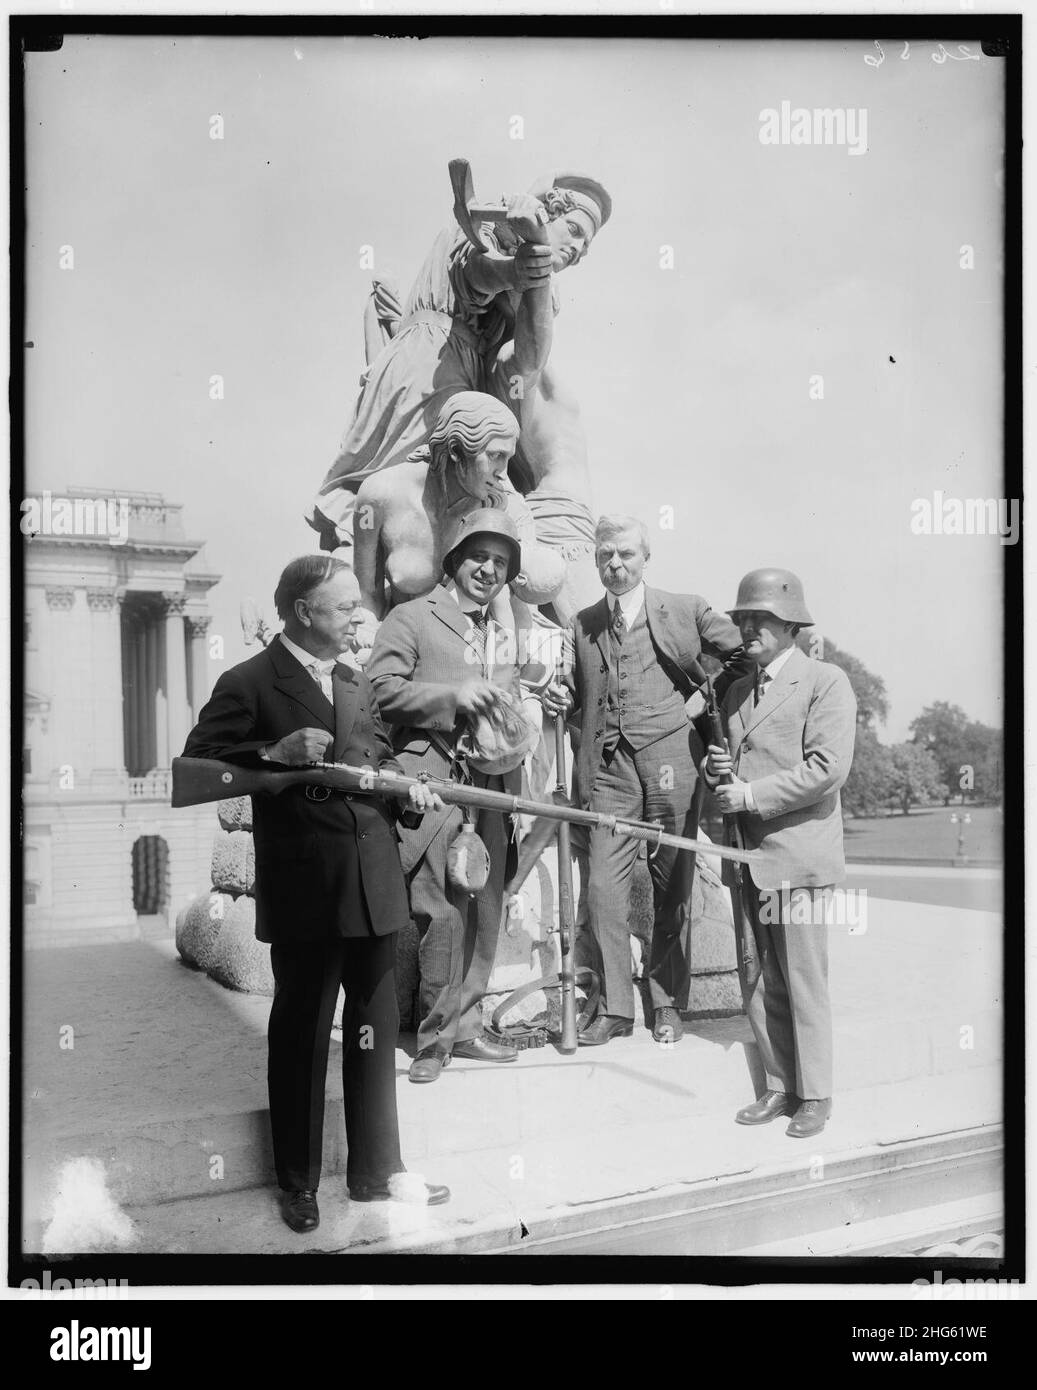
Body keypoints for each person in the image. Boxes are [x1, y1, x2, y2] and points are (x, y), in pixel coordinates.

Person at [182, 557, 449, 1233]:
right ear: (302, 611)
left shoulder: (355, 683)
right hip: (306, 890)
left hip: (373, 883)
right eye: (343, 608)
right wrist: (273, 754)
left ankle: (376, 1172)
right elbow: (192, 773)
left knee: (373, 1029)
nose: (359, 619)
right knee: (302, 1035)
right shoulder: (247, 682)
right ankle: (297, 1183)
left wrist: (408, 791)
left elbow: (380, 764)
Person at [310, 171, 611, 559]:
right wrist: (516, 270)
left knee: (441, 492)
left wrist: (532, 276)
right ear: (545, 212)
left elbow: (530, 357)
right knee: (407, 483)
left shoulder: (537, 279)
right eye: (573, 228)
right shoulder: (490, 232)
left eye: (586, 243)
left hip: (462, 374)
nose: (579, 247)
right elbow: (474, 274)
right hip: (432, 363)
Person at [542, 515, 751, 1046]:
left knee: (673, 888)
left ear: (645, 557)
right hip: (607, 770)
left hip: (672, 761)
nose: (615, 564)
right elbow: (577, 697)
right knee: (603, 892)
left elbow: (743, 653)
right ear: (594, 559)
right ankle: (615, 1009)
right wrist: (565, 698)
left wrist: (704, 696)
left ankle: (666, 1003)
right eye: (605, 555)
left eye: (626, 555)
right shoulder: (583, 623)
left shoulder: (685, 608)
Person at [365, 510, 546, 1083]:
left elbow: (505, 704)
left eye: (500, 562)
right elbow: (379, 691)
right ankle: (432, 1042)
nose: (489, 570)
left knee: (485, 907)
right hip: (434, 787)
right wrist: (455, 696)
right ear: (453, 559)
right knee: (441, 913)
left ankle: (466, 1027)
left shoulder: (503, 634)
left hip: (493, 789)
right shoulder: (411, 617)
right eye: (479, 556)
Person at [702, 568, 857, 1139]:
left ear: (790, 623)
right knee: (758, 976)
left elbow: (826, 769)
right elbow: (732, 761)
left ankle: (814, 1094)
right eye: (742, 617)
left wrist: (749, 794)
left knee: (802, 978)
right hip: (747, 857)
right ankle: (778, 1086)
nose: (747, 627)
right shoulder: (739, 689)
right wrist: (715, 770)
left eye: (759, 618)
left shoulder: (825, 682)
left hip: (798, 856)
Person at [352, 390, 564, 618]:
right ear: (455, 450)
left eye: (508, 458)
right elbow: (367, 596)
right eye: (496, 456)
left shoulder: (502, 506)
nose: (503, 472)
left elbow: (524, 598)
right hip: (400, 637)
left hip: (471, 643)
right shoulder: (379, 494)